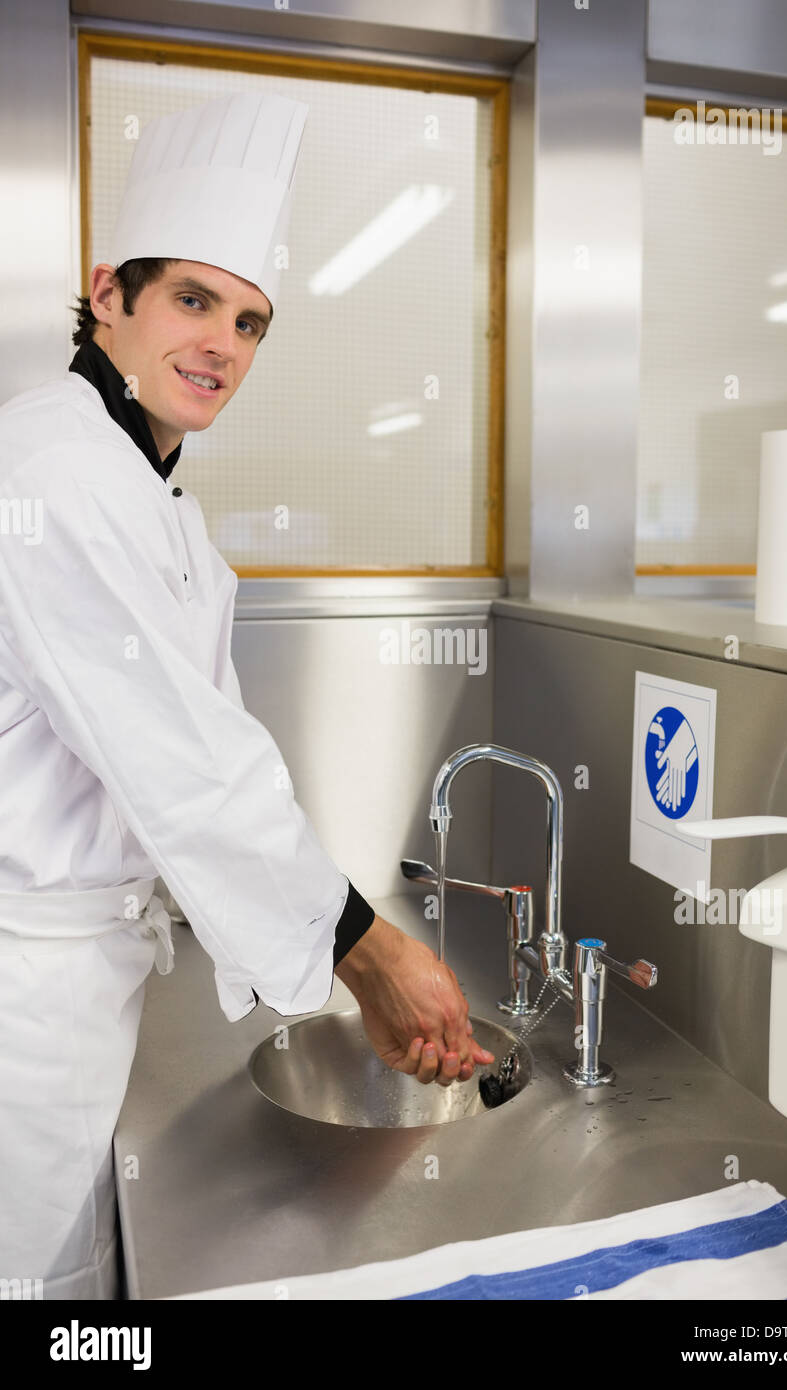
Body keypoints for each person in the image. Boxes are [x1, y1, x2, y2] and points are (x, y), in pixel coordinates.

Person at [0, 92, 494, 1300]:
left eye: (252, 321)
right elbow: (187, 769)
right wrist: (366, 951)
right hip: (25, 994)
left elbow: (200, 748)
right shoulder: (54, 469)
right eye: (192, 301)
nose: (224, 343)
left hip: (80, 984)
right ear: (109, 291)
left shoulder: (151, 491)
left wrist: (341, 940)